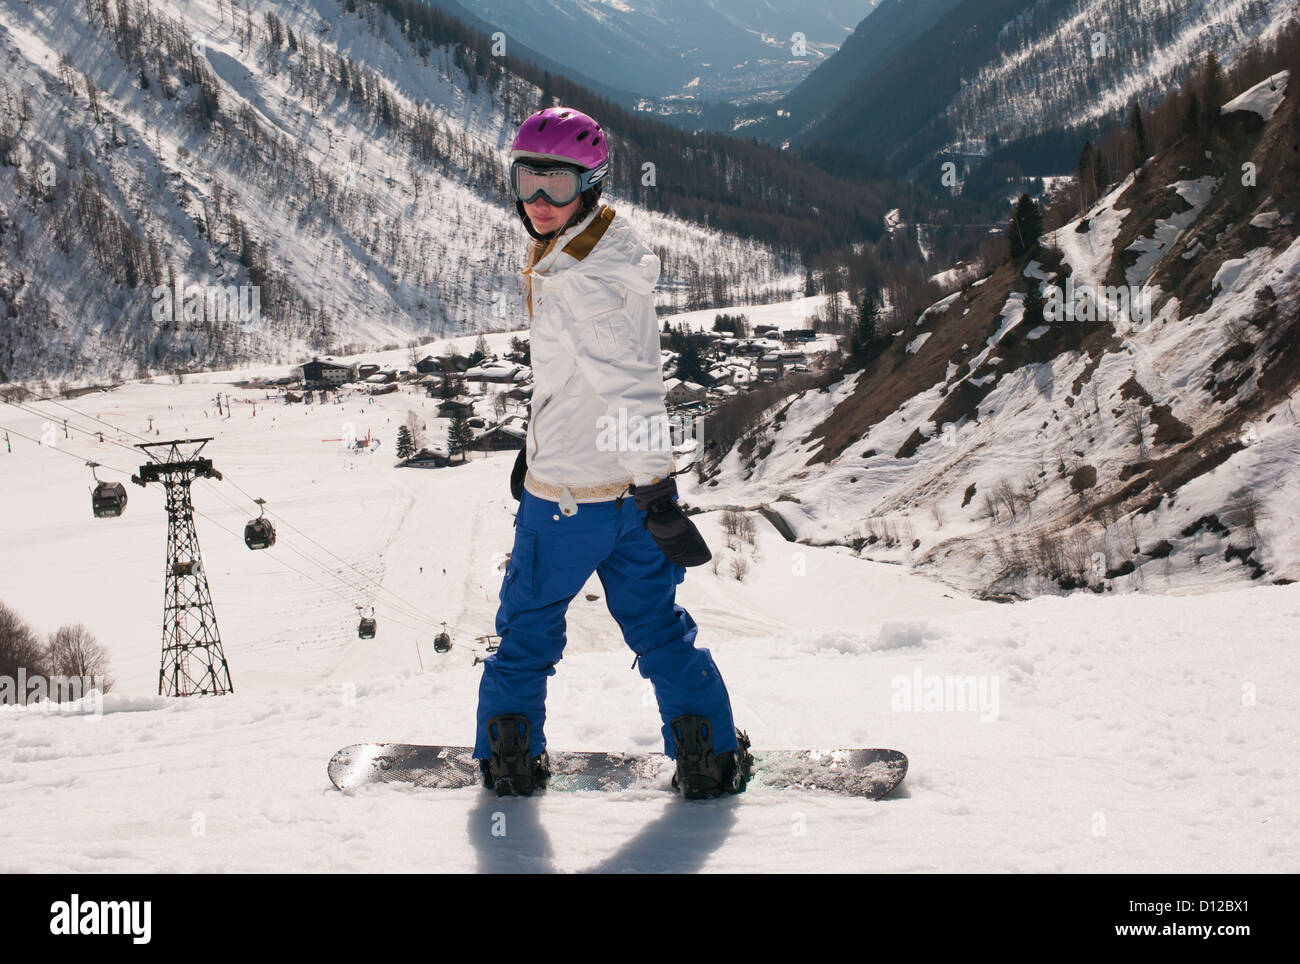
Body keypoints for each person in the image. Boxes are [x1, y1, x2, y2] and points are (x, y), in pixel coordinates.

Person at [473, 106, 751, 799]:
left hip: (574, 501)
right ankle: (707, 757)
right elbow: (585, 380)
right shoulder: (596, 246)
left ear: (588, 186)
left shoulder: (576, 281)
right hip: (624, 494)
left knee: (527, 633)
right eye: (527, 181)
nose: (538, 201)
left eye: (557, 186)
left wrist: (657, 487)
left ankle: (509, 761)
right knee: (659, 630)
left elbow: (628, 390)